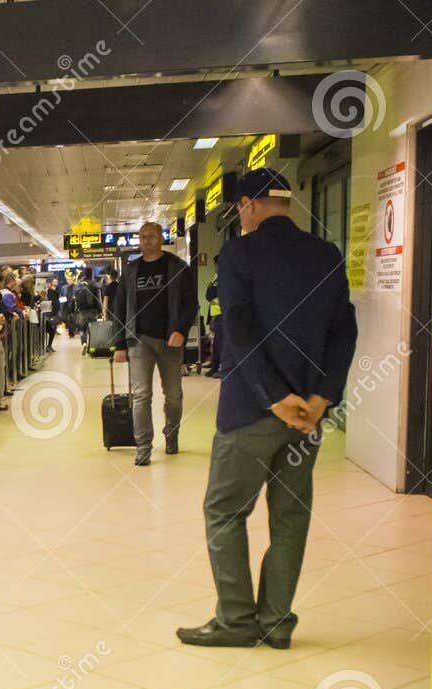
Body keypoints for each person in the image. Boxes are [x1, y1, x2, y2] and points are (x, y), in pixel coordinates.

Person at [179, 169, 357, 650]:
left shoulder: (239, 253)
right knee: (290, 517)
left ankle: (237, 620)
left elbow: (237, 328)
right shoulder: (326, 254)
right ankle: (277, 622)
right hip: (307, 417)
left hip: (251, 412)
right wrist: (322, 396)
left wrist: (272, 396)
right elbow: (344, 332)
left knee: (225, 510)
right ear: (287, 203)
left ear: (247, 206)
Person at [114, 221, 197, 464]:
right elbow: (119, 307)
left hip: (170, 340)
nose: (146, 241)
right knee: (141, 395)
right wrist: (119, 343)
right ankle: (143, 447)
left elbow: (191, 303)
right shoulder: (130, 270)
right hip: (139, 341)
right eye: (142, 237)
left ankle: (171, 434)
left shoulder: (178, 267)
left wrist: (181, 330)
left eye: (151, 236)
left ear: (162, 238)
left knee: (173, 395)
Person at [206, 278, 224, 378]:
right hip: (216, 314)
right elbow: (209, 296)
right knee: (216, 344)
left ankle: (222, 368)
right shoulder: (215, 278)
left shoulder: (225, 277)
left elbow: (212, 294)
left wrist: (211, 289)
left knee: (221, 344)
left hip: (223, 314)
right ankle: (214, 367)